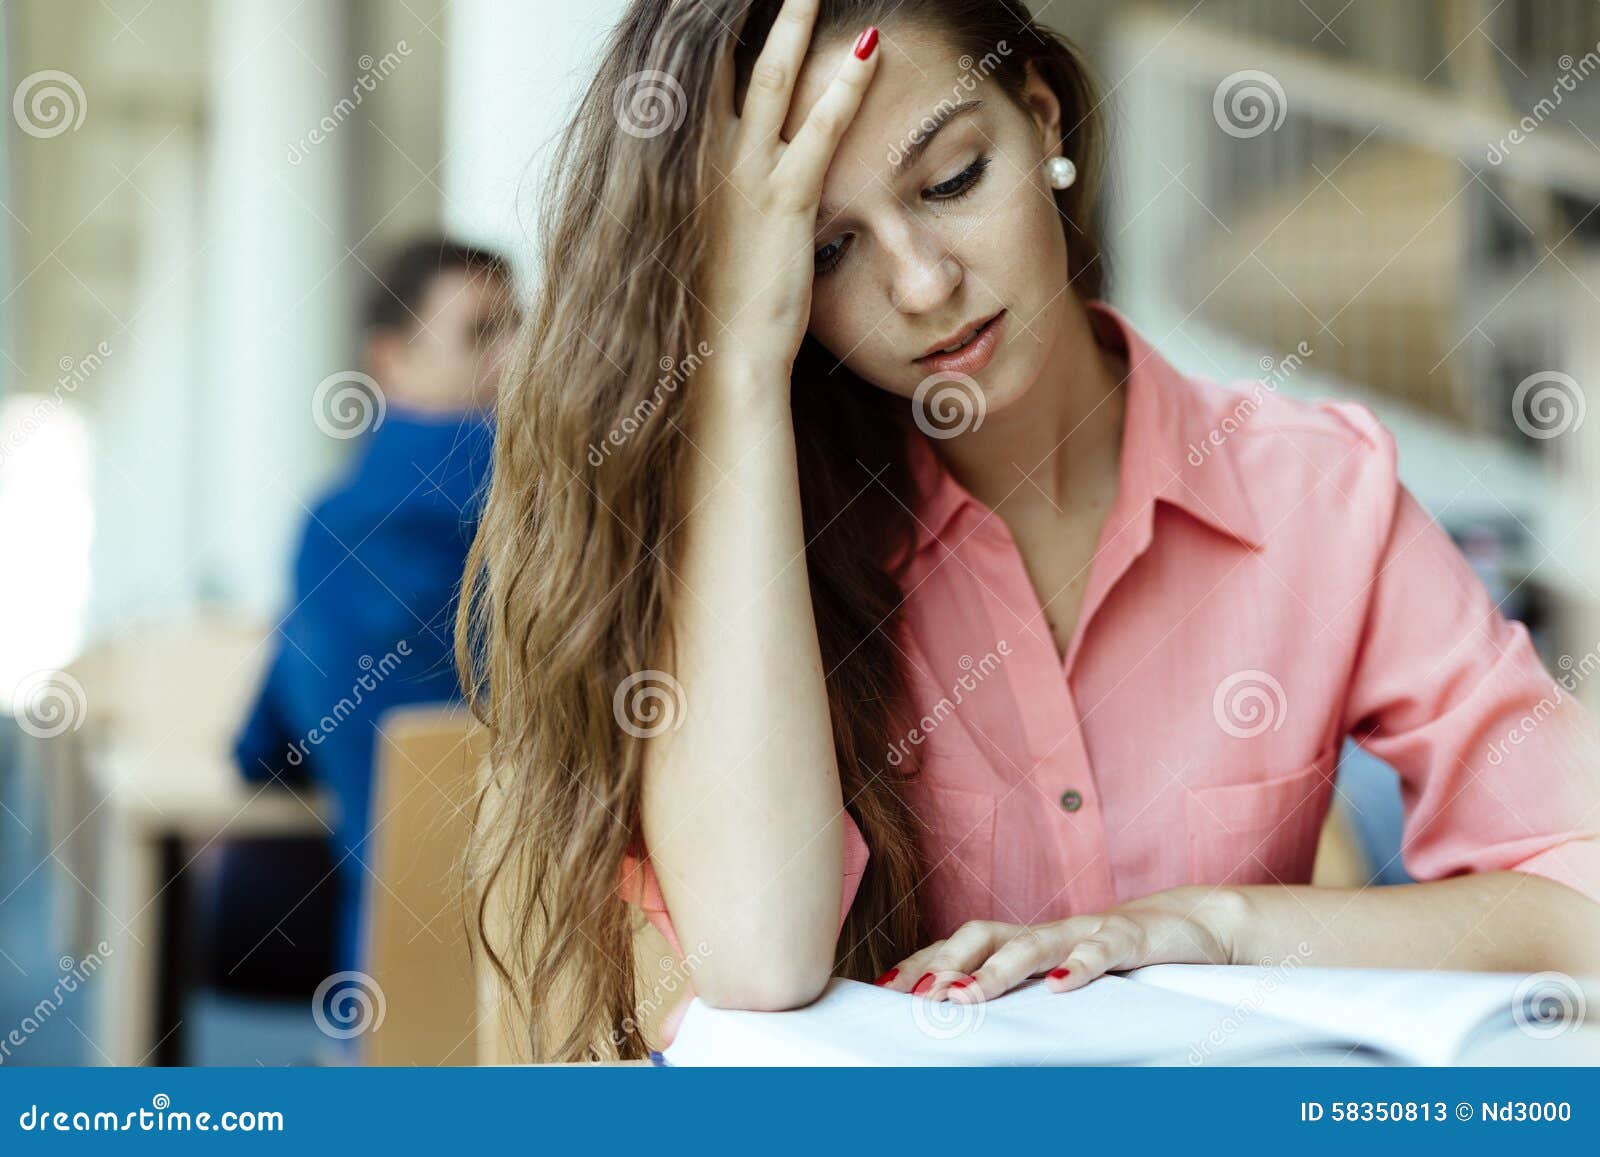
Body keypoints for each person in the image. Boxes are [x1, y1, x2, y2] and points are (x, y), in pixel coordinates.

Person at [457, 0, 1600, 1062]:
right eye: (823, 250)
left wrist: (1212, 922)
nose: (920, 283)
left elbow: (1580, 898)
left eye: (951, 179)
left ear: (1041, 117)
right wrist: (743, 368)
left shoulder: (1316, 492)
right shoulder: (759, 542)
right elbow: (758, 954)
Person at [222, 236, 515, 987]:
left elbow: (261, 749)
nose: (515, 354)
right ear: (391, 360)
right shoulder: (569, 499)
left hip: (388, 988)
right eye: (483, 332)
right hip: (570, 992)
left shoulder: (328, 526)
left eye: (519, 325)